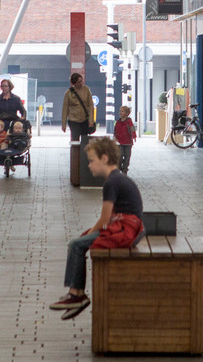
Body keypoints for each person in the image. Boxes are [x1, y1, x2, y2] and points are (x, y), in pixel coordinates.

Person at [49, 137, 143, 320]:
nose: (90, 165)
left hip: (125, 231)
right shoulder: (118, 179)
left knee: (76, 245)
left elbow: (104, 219)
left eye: (92, 161)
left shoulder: (111, 183)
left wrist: (90, 233)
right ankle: (76, 294)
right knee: (81, 241)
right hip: (131, 229)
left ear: (105, 159)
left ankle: (76, 295)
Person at [61, 73, 95, 141]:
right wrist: (63, 124)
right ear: (74, 83)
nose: (81, 83)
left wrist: (91, 120)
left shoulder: (86, 89)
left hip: (85, 120)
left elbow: (91, 105)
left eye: (81, 81)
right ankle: (74, 151)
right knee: (75, 140)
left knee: (85, 140)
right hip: (73, 121)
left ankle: (83, 152)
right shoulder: (68, 93)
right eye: (79, 82)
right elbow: (65, 109)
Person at [113, 105, 136, 173]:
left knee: (127, 156)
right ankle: (119, 166)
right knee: (120, 155)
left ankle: (125, 168)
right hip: (120, 142)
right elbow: (115, 131)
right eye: (120, 111)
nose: (120, 112)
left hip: (128, 142)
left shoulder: (129, 122)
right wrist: (114, 138)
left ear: (127, 113)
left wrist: (134, 136)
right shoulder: (118, 122)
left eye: (122, 111)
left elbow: (132, 129)